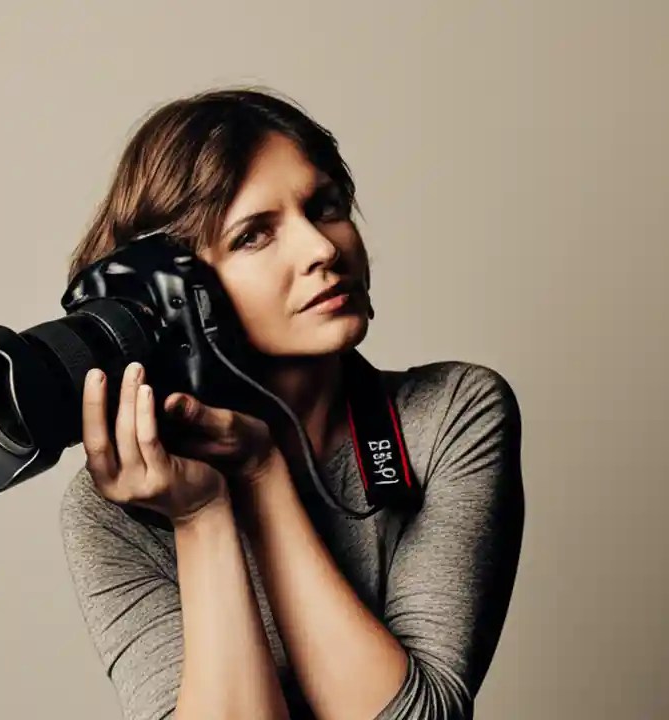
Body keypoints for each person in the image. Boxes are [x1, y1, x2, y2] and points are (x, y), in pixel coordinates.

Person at [59, 87, 525, 720]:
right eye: (254, 236)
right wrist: (199, 514)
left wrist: (260, 474)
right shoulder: (119, 506)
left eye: (326, 206)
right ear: (175, 293)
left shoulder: (449, 415)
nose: (323, 249)